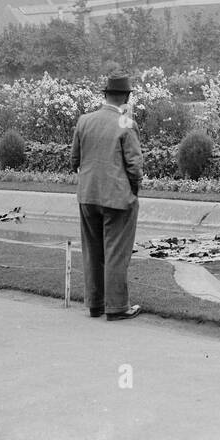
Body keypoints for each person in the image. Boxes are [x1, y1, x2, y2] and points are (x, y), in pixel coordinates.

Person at [70, 74, 144, 320]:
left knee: (92, 252)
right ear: (126, 97)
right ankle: (117, 307)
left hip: (88, 196)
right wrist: (134, 191)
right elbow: (134, 166)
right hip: (117, 198)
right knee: (116, 253)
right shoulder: (125, 123)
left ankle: (95, 305)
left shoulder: (84, 120)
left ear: (104, 95)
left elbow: (75, 161)